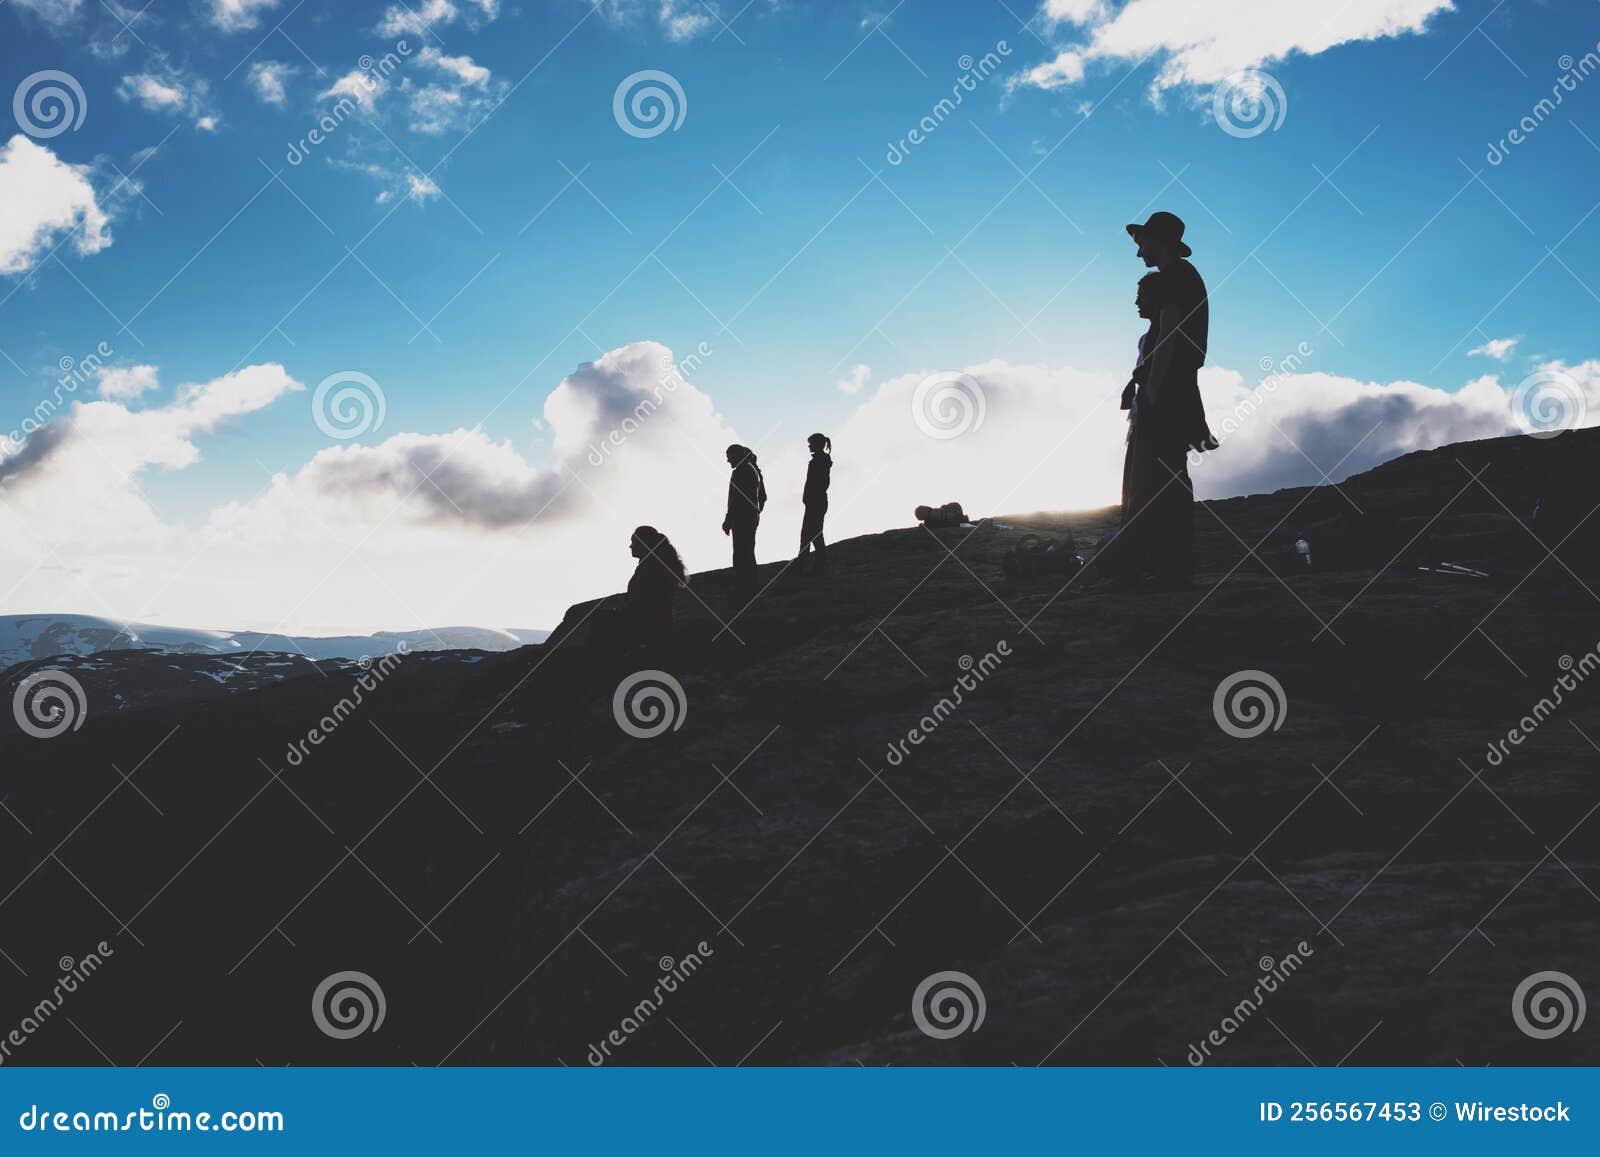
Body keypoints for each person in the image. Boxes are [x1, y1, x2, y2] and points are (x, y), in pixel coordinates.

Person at [1117, 211, 1217, 586]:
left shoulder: (1175, 277)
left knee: (1160, 474)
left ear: (1157, 240)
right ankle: (1164, 558)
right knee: (1162, 472)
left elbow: (1170, 339)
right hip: (1169, 385)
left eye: (1142, 243)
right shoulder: (1181, 278)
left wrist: (1153, 393)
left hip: (1170, 388)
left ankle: (1167, 560)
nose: (1139, 252)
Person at [590, 526, 688, 650]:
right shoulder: (652, 565)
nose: (630, 546)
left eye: (633, 542)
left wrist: (624, 611)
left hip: (648, 623)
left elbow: (645, 601)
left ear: (643, 544)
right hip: (654, 621)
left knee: (600, 620)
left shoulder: (651, 567)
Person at [722, 444, 766, 599]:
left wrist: (728, 520)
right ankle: (750, 586)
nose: (728, 460)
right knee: (748, 552)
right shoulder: (754, 470)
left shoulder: (741, 471)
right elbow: (763, 497)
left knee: (741, 554)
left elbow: (736, 499)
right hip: (750, 517)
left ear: (736, 455)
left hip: (741, 518)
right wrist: (756, 511)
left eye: (729, 456)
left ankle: (744, 589)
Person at [796, 433, 832, 573]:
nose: (809, 446)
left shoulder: (819, 461)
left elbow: (817, 483)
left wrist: (809, 497)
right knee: (810, 532)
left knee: (812, 532)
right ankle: (811, 563)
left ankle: (818, 564)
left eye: (811, 443)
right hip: (816, 501)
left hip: (815, 501)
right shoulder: (821, 460)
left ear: (817, 444)